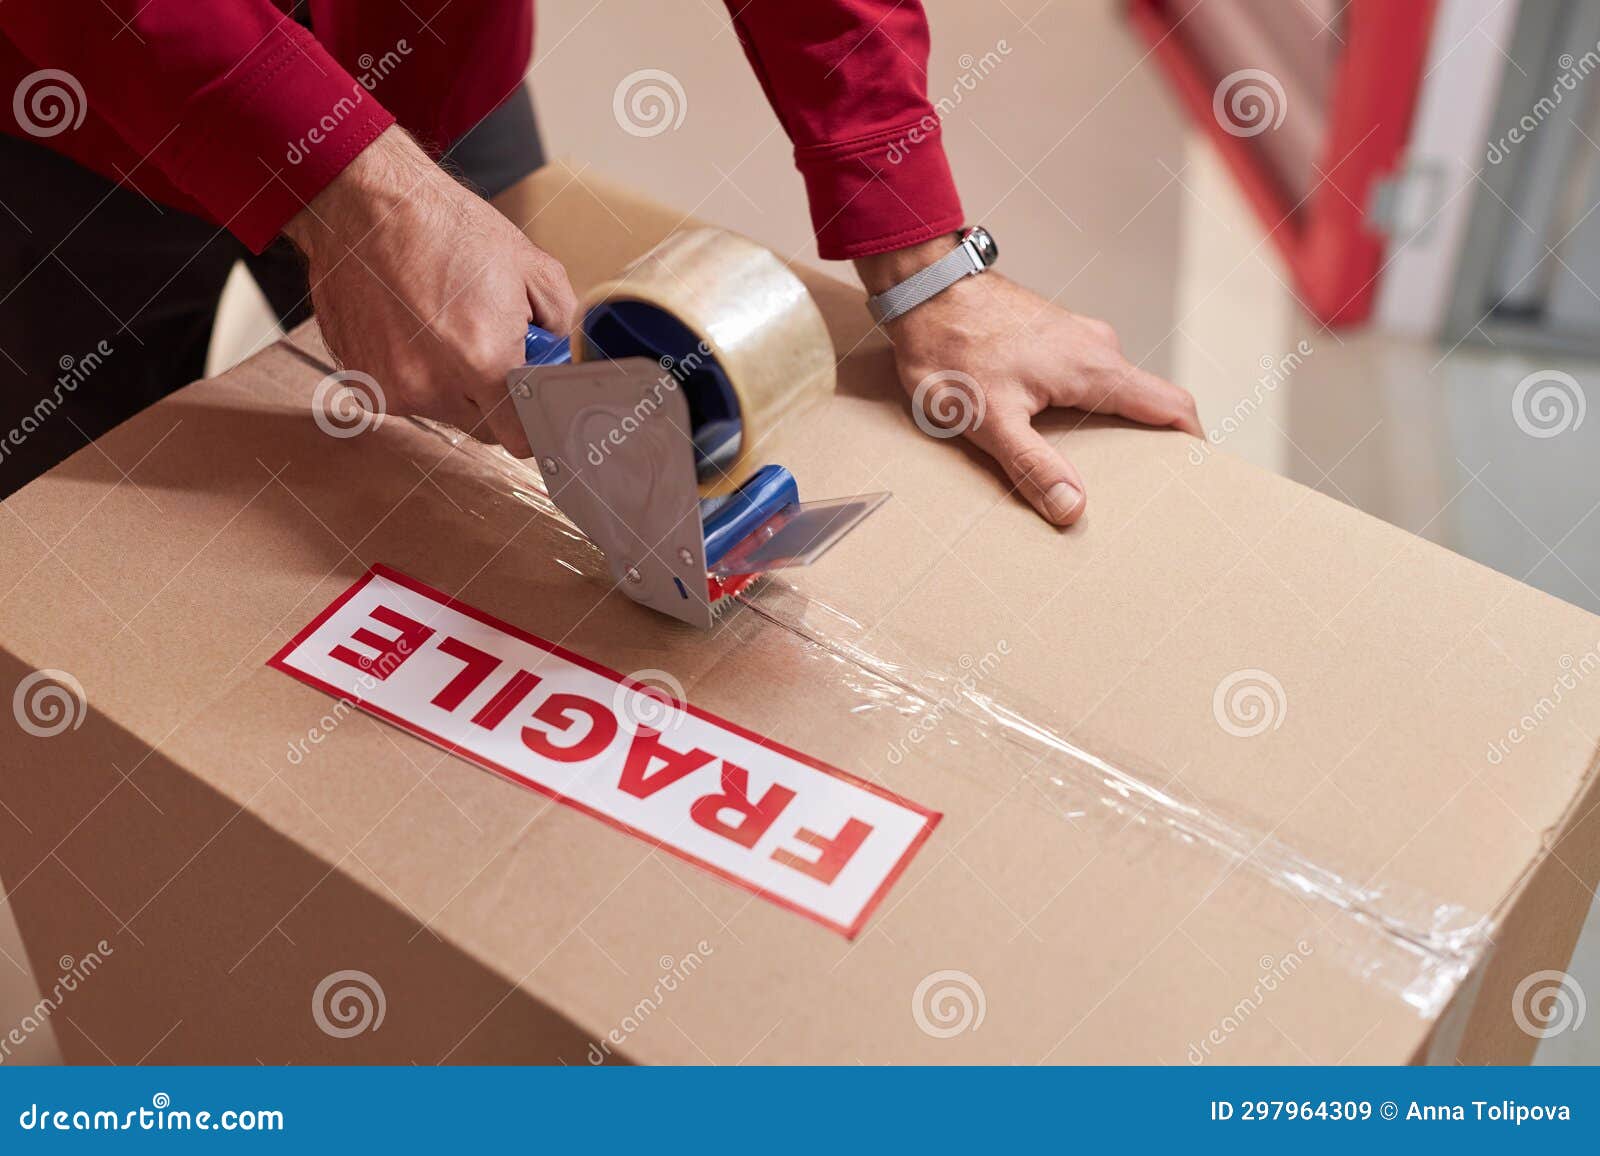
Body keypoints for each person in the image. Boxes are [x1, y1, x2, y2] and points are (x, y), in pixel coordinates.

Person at [0, 1, 1199, 522]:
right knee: (76, 552)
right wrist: (345, 192)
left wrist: (924, 254)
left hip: (423, 71)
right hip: (78, 118)